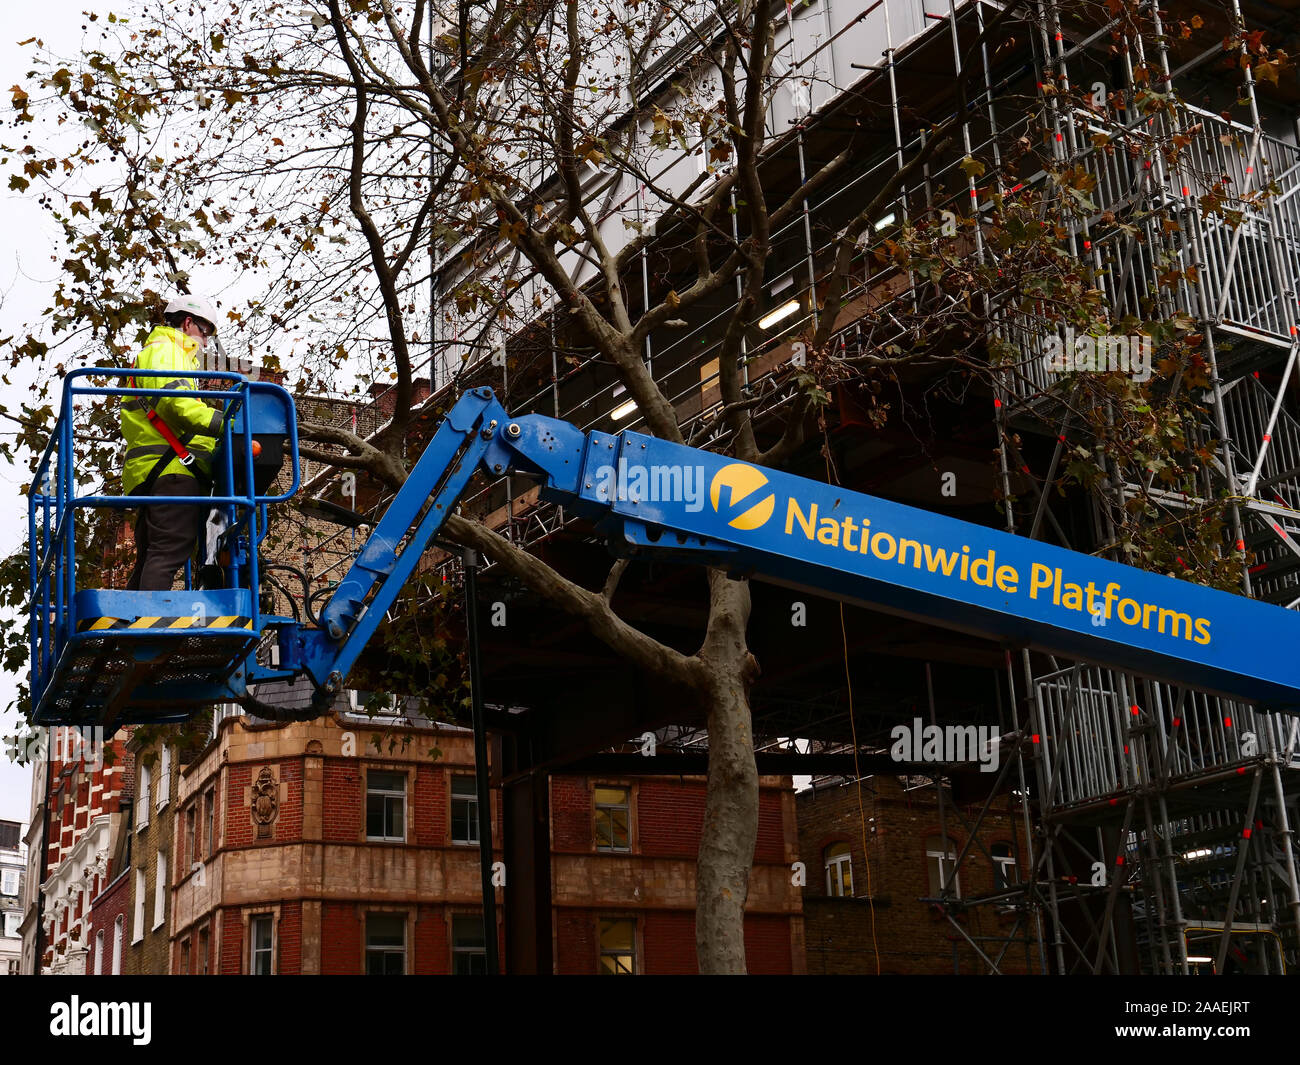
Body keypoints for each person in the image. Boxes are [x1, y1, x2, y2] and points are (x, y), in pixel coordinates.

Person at [121, 294, 225, 591]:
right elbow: (177, 405)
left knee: (153, 555)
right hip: (172, 470)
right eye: (205, 333)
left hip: (159, 468)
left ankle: (133, 627)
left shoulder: (169, 355)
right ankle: (149, 631)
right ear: (188, 322)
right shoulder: (167, 351)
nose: (206, 343)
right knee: (168, 551)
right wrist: (225, 425)